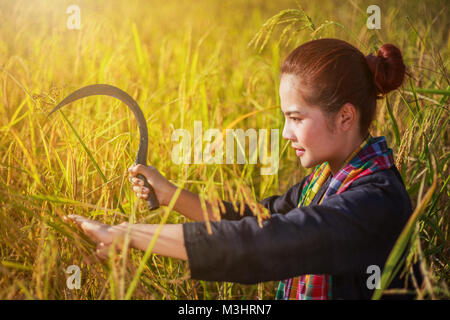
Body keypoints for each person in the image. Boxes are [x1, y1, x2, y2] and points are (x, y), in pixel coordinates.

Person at [66, 38, 418, 300]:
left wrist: (129, 234)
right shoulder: (324, 181)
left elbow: (267, 241)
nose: (285, 133)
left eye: (296, 118)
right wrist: (170, 194)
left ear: (344, 117)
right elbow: (255, 218)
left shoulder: (376, 202)